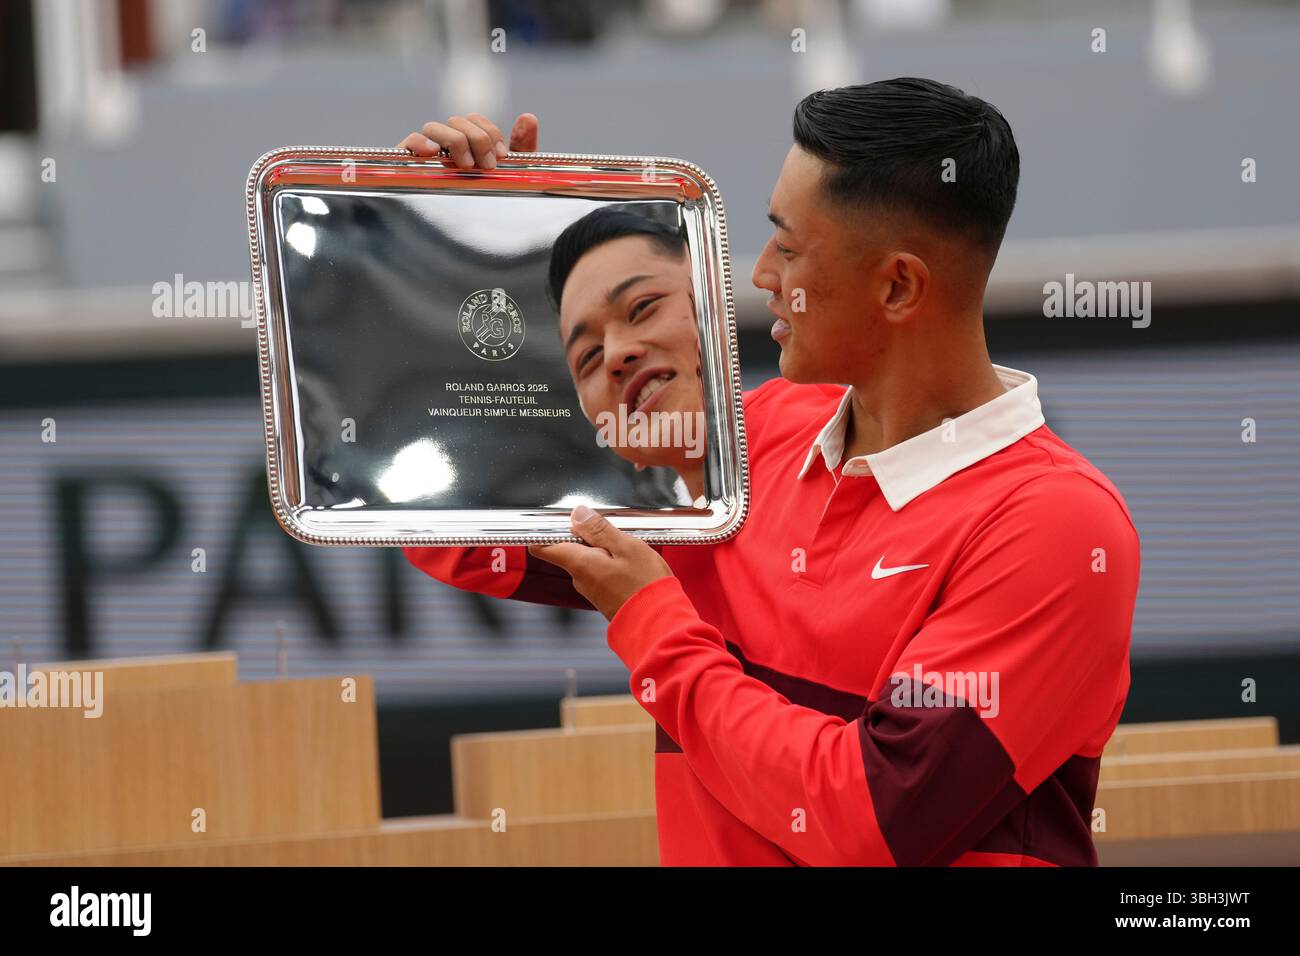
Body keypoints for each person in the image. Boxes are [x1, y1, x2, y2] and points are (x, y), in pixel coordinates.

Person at [396, 80, 1141, 867]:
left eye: (787, 247)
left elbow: (869, 822)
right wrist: (476, 270)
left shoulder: (1058, 528)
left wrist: (654, 625)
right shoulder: (757, 434)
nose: (759, 275)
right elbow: (453, 532)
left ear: (897, 286)